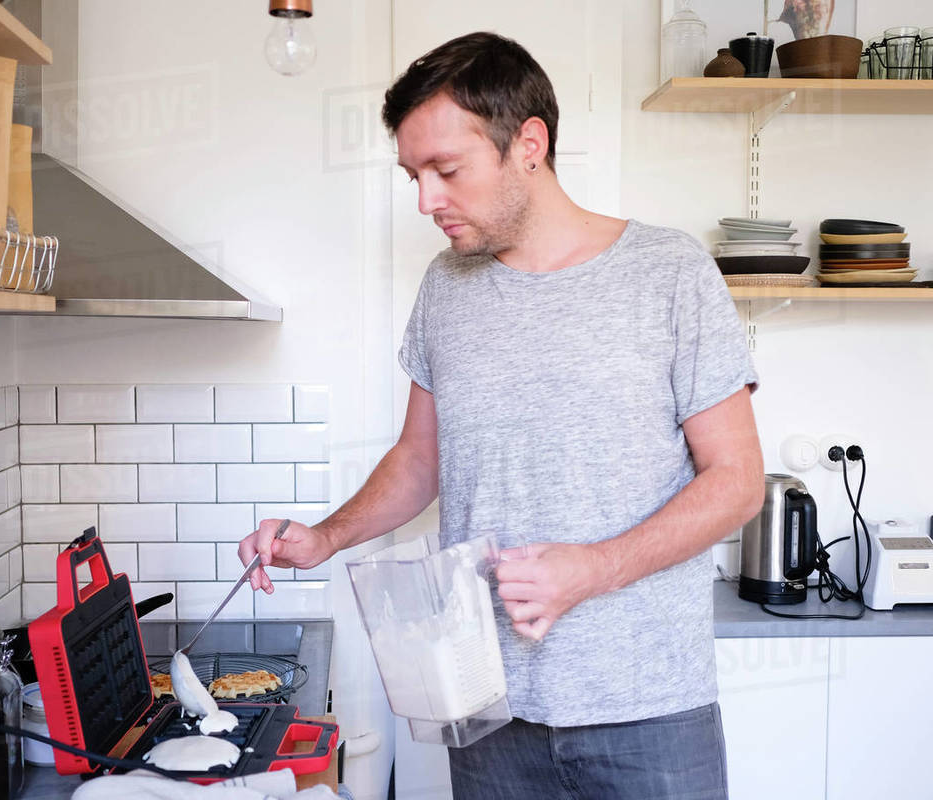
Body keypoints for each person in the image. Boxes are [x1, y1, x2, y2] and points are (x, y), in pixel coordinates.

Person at [239, 31, 764, 800]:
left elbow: (738, 481)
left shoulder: (668, 273)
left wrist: (592, 570)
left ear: (529, 143)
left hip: (647, 712)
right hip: (484, 709)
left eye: (446, 170)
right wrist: (326, 536)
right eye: (413, 174)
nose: (425, 200)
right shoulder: (447, 287)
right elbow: (421, 459)